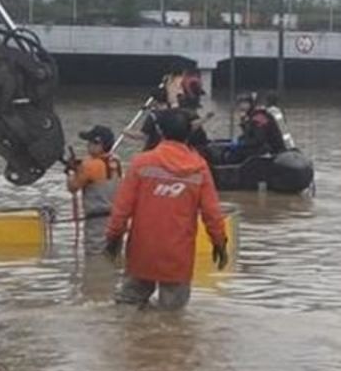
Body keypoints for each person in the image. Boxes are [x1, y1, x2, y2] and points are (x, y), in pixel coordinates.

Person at [106, 109, 229, 310]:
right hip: (178, 255)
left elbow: (121, 208)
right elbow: (212, 214)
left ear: (161, 132)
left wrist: (113, 237)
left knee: (126, 307)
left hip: (142, 250)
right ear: (189, 134)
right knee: (172, 317)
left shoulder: (141, 163)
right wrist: (219, 243)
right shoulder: (199, 168)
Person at [66, 125, 123, 254]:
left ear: (99, 144)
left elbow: (73, 187)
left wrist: (70, 173)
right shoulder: (116, 161)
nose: (87, 145)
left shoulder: (89, 166)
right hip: (116, 219)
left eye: (90, 142)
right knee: (113, 255)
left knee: (95, 257)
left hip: (97, 222)